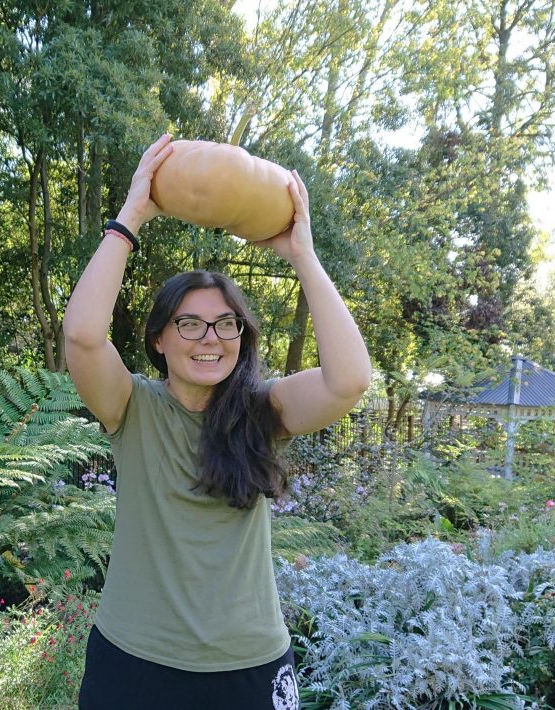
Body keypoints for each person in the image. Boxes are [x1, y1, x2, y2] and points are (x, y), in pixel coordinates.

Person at [64, 133, 372, 709]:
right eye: (190, 324)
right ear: (159, 339)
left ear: (241, 337)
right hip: (135, 662)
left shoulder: (264, 411)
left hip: (249, 667)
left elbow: (350, 380)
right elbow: (82, 335)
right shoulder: (130, 407)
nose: (210, 338)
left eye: (226, 324)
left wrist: (302, 256)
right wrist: (132, 214)